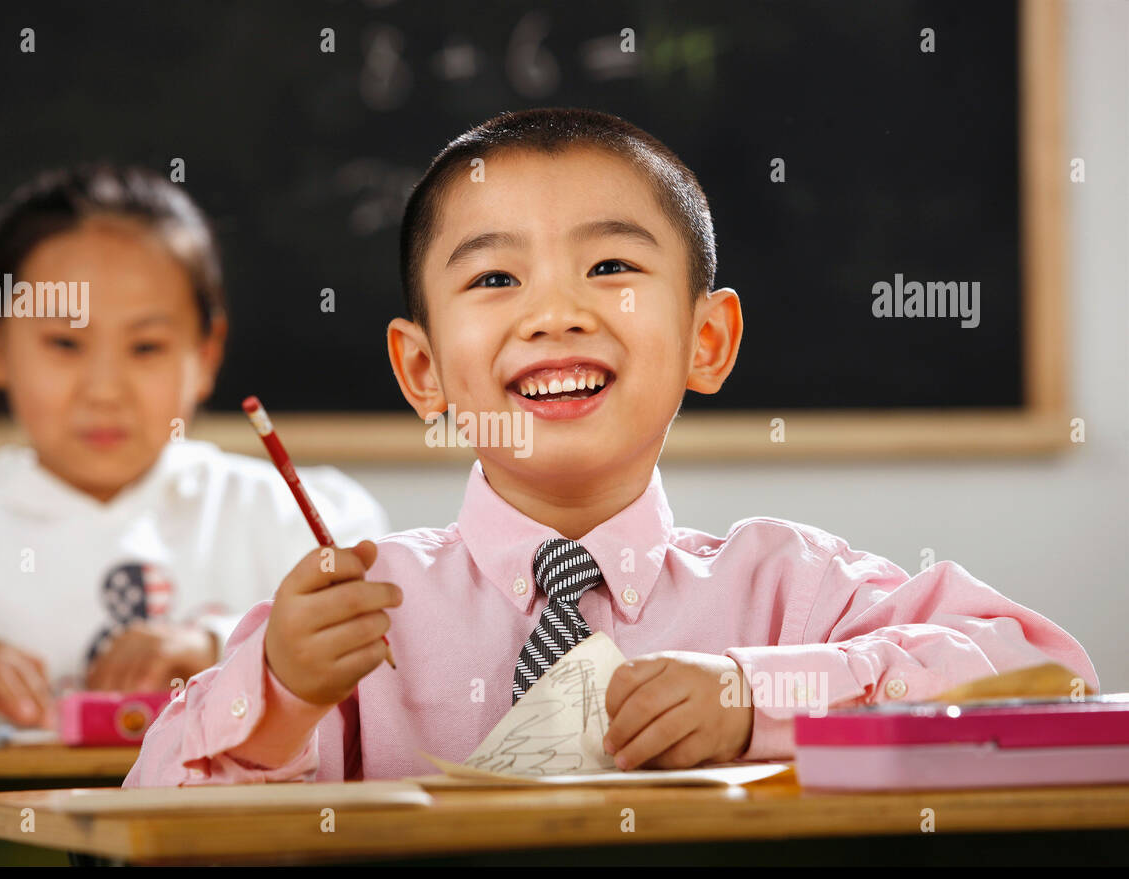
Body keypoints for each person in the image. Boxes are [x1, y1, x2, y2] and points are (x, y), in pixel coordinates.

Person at [124, 108, 1097, 786]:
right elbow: (143, 809)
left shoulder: (786, 590)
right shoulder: (345, 622)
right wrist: (283, 696)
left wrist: (757, 692)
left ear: (705, 340)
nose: (555, 310)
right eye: (496, 276)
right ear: (422, 370)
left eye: (610, 264)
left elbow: (1042, 667)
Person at [0, 164, 389, 732]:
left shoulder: (287, 515)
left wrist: (225, 645)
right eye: (64, 344)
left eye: (146, 347)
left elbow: (401, 654)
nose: (103, 391)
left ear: (207, 351)